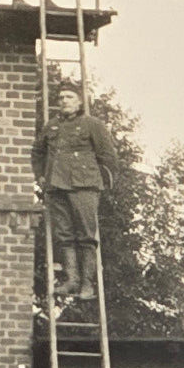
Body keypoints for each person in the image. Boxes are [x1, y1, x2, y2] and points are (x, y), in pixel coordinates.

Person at [31, 82, 118, 301]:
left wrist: (103, 182)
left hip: (84, 186)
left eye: (69, 97)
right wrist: (41, 177)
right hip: (56, 186)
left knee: (86, 236)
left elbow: (108, 155)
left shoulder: (92, 124)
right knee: (64, 235)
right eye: (61, 97)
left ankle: (87, 284)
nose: (64, 101)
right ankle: (71, 280)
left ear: (80, 101)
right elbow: (37, 152)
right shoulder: (51, 127)